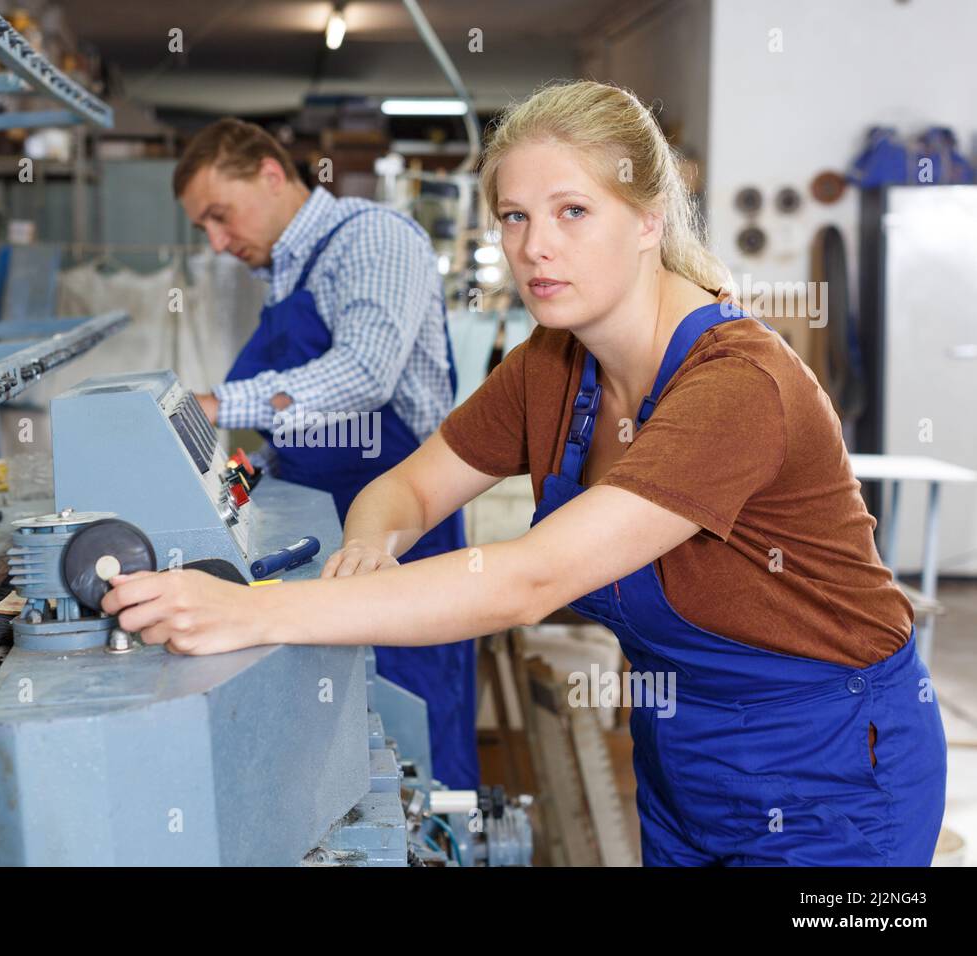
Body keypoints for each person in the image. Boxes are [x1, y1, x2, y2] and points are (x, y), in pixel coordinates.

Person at [108, 81, 947, 865]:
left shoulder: (737, 387)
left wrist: (257, 612)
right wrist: (369, 547)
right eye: (513, 217)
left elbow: (530, 580)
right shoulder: (551, 364)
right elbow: (408, 487)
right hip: (682, 751)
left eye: (572, 211)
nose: (535, 247)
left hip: (835, 768)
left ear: (649, 219)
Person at [174, 118, 477, 789]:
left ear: (271, 174)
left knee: (413, 728)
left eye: (220, 217)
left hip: (403, 537)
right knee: (338, 739)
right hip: (324, 536)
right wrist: (253, 470)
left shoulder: (372, 239)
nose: (219, 244)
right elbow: (314, 429)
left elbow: (365, 375)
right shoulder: (287, 275)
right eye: (205, 230)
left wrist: (217, 407)